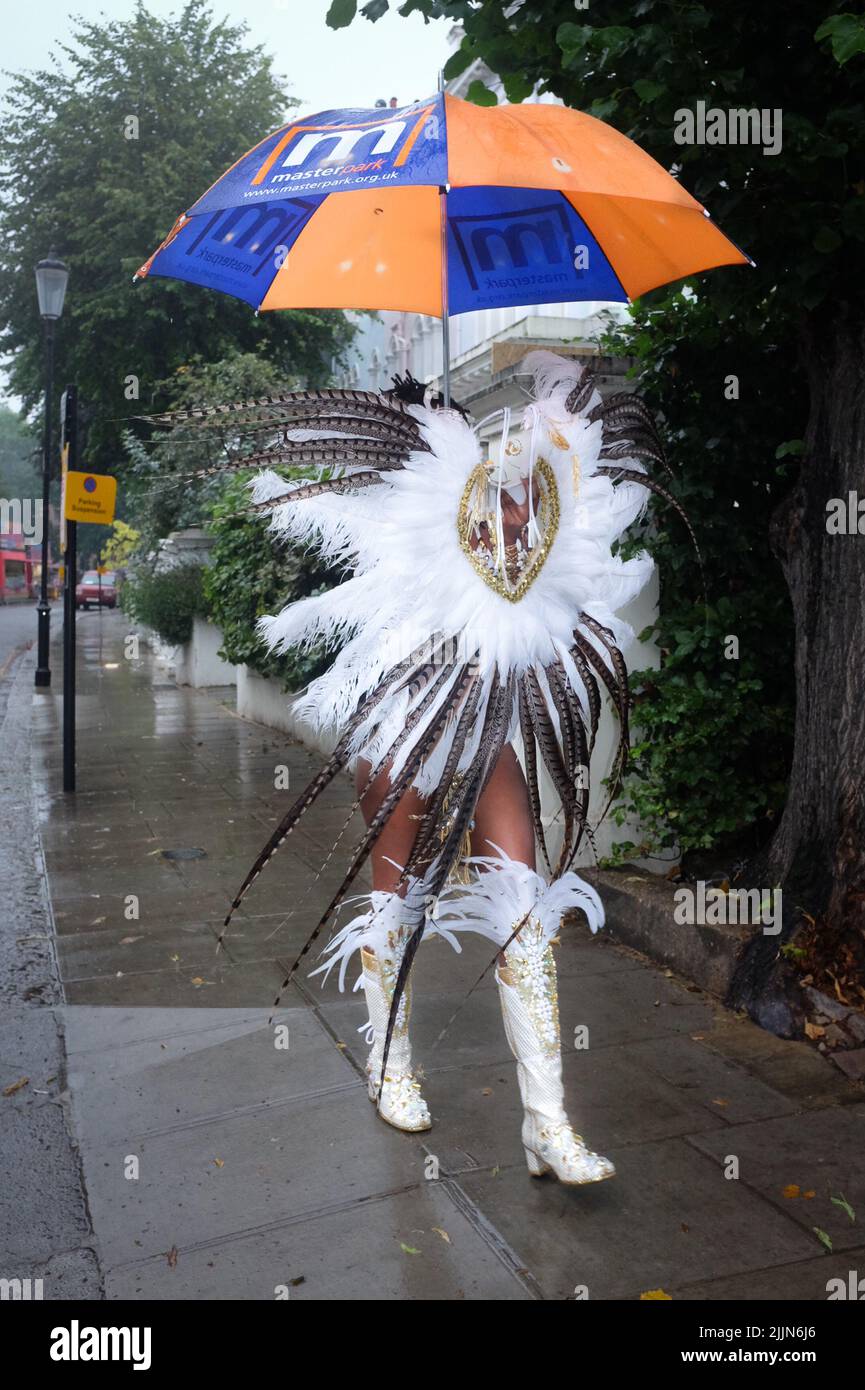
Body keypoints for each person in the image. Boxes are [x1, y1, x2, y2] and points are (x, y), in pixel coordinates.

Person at [153, 352, 685, 1186]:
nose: (516, 513)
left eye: (526, 494)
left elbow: (553, 603)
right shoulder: (422, 503)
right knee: (397, 894)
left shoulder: (534, 510)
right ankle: (390, 1064)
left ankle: (548, 1124)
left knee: (523, 902)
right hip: (407, 717)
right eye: (506, 494)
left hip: (493, 725)